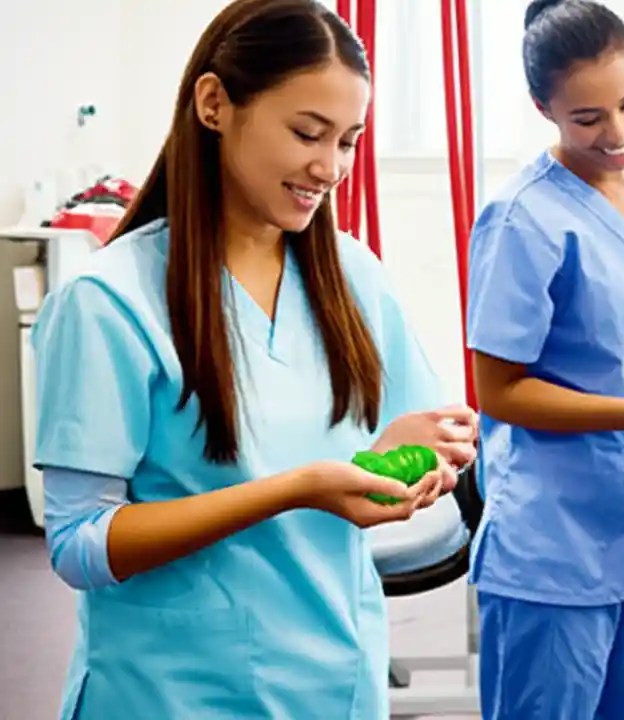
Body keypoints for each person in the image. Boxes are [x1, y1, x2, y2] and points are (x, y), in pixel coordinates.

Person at [31, 1, 477, 718]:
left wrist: (424, 459)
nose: (328, 167)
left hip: (338, 683)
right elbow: (81, 545)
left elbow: (405, 435)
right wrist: (293, 488)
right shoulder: (108, 302)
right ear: (214, 103)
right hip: (174, 694)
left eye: (349, 142)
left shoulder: (351, 276)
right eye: (307, 133)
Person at [464, 1, 624, 717]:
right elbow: (500, 392)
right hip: (554, 549)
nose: (619, 133)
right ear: (544, 109)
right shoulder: (523, 219)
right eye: (588, 118)